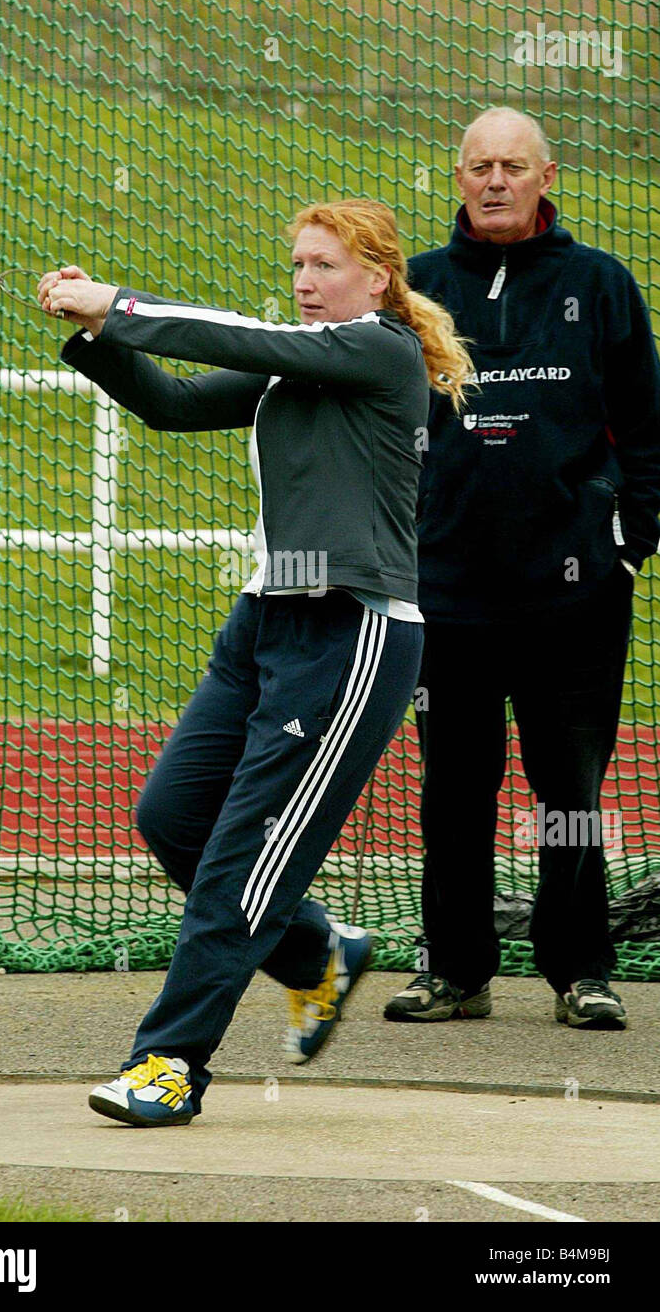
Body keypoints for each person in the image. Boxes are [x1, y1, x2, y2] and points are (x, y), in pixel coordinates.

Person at [38, 198, 471, 1125]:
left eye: (325, 266)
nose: (306, 282)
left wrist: (117, 303)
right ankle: (316, 954)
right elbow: (172, 403)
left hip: (350, 633)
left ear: (378, 280)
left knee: (240, 862)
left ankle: (166, 1068)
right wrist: (97, 334)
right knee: (173, 817)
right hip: (263, 622)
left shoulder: (382, 352)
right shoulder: (297, 364)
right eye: (299, 267)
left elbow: (237, 338)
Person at [383, 107, 660, 1031]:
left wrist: (630, 533)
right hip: (446, 591)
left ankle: (579, 967)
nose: (493, 181)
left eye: (511, 166)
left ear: (548, 176)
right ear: (455, 178)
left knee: (568, 793)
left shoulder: (600, 284)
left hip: (572, 593)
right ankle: (454, 970)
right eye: (477, 167)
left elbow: (646, 423)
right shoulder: (414, 289)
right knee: (453, 787)